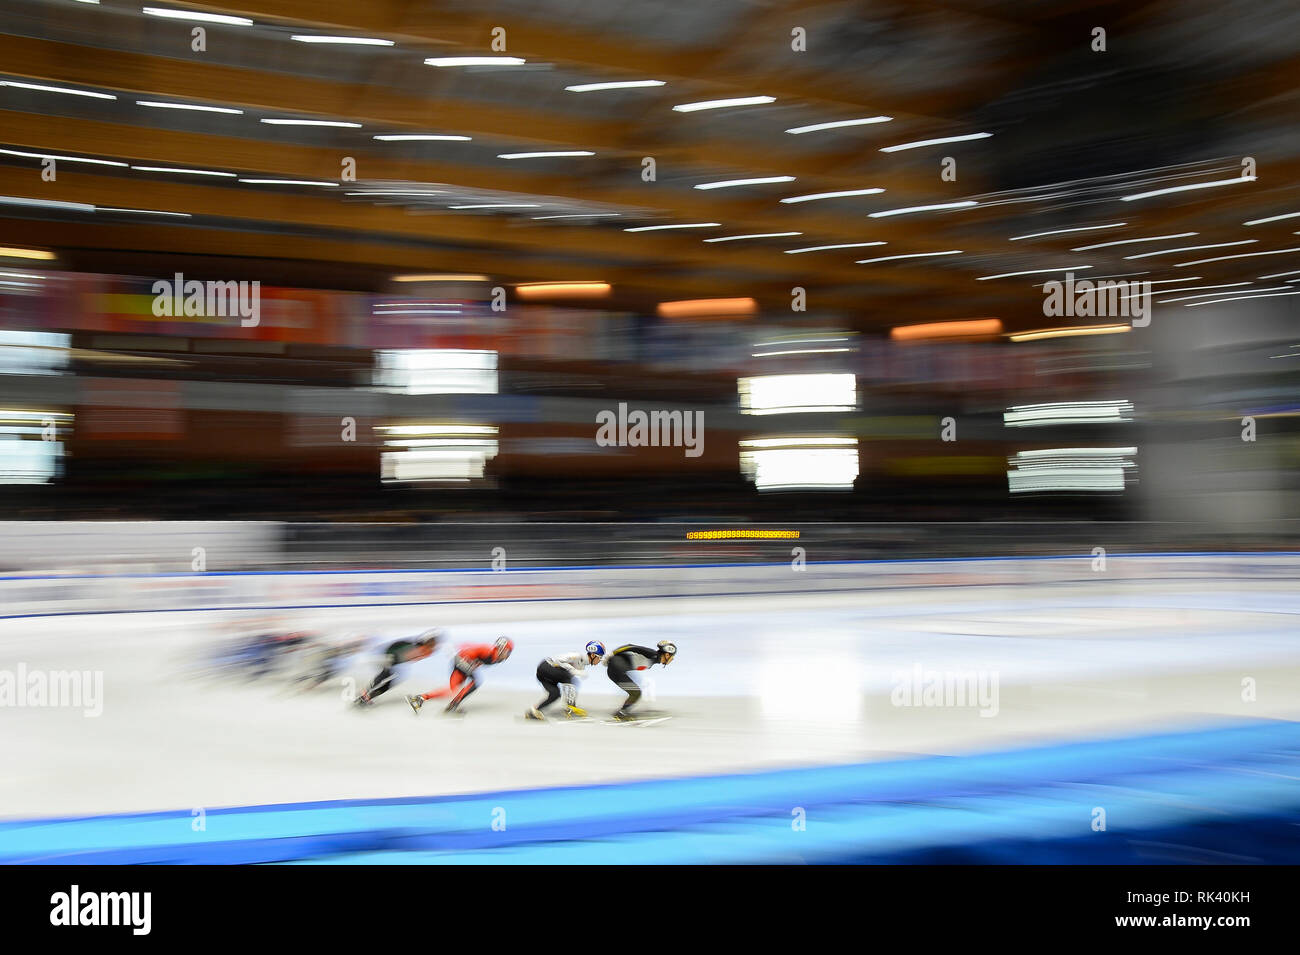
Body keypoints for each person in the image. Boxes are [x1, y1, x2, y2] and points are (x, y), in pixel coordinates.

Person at [408, 636, 513, 715]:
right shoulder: (489, 652)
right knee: (476, 682)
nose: (508, 655)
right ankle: (453, 705)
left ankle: (420, 698)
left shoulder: (495, 656)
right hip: (462, 660)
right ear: (502, 649)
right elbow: (474, 655)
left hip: (461, 660)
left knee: (451, 690)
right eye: (507, 652)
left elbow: (476, 658)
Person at [353, 629, 442, 707]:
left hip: (394, 659)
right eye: (431, 643)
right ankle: (365, 694)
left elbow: (408, 650)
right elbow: (398, 646)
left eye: (433, 644)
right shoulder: (416, 646)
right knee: (385, 676)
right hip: (390, 657)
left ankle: (368, 696)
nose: (432, 646)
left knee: (390, 681)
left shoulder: (426, 650)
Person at [526, 641, 605, 720]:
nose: (600, 660)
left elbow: (568, 682)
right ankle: (570, 706)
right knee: (569, 677)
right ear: (592, 655)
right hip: (546, 666)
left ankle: (534, 710)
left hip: (544, 675)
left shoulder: (581, 665)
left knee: (555, 694)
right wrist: (572, 670)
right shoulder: (576, 656)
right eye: (600, 657)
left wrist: (572, 672)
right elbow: (557, 661)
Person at [606, 640, 676, 720]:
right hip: (616, 668)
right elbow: (631, 646)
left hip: (614, 671)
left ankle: (622, 712)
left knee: (635, 692)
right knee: (636, 693)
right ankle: (621, 713)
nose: (672, 659)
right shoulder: (652, 654)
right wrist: (612, 654)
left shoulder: (654, 659)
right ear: (667, 654)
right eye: (672, 656)